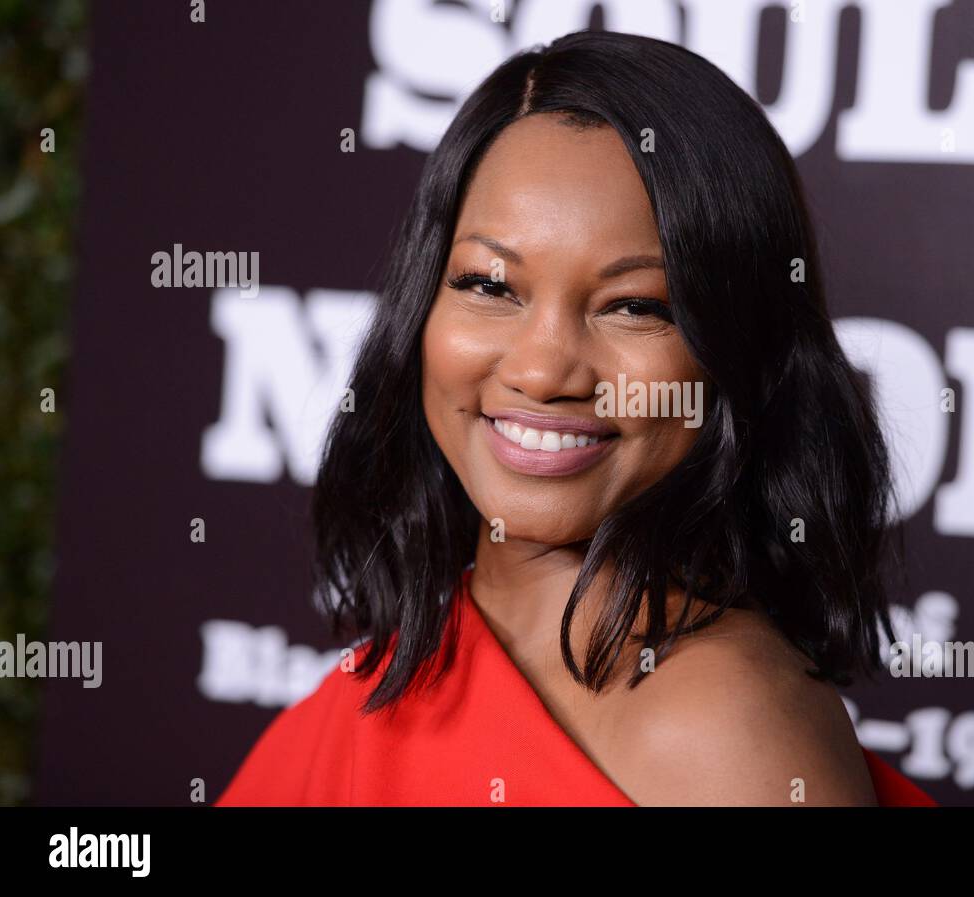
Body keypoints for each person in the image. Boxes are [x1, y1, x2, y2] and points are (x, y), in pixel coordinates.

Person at [217, 29, 935, 808]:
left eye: (635, 306)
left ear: (738, 351)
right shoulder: (382, 679)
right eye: (490, 286)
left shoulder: (723, 728)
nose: (540, 371)